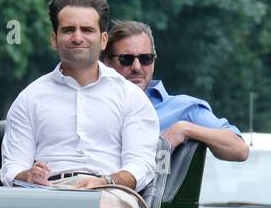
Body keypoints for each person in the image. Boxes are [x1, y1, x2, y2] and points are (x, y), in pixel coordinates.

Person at [0, 0, 159, 191]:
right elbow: (12, 167)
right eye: (68, 30)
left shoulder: (130, 96)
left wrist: (104, 182)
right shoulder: (30, 98)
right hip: (45, 193)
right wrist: (27, 176)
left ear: (103, 40)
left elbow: (141, 165)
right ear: (54, 39)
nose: (77, 37)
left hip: (111, 192)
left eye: (87, 30)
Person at [103, 20, 249, 162]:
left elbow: (240, 149)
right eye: (126, 59)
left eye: (145, 58)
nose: (137, 67)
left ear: (154, 61)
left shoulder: (184, 109)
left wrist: (185, 129)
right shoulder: (90, 104)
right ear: (106, 62)